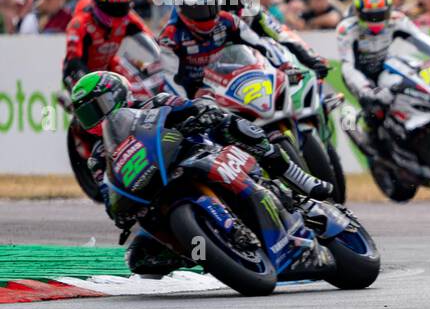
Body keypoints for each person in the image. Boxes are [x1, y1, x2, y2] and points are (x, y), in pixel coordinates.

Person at [69, 70, 331, 276]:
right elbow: (109, 195)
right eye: (87, 114)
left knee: (232, 125)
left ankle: (298, 179)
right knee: (140, 258)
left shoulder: (154, 103)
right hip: (159, 196)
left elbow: (191, 105)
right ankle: (210, 249)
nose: (96, 118)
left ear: (118, 95)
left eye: (99, 106)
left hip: (202, 155)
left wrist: (201, 112)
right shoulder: (100, 158)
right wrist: (121, 212)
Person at [337, 0, 430, 151]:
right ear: (358, 13)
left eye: (380, 14)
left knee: (409, 85)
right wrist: (366, 89)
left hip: (384, 67)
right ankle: (370, 135)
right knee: (375, 105)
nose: (376, 20)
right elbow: (348, 67)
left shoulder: (396, 19)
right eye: (370, 16)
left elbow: (423, 40)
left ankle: (414, 127)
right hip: (359, 74)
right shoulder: (346, 29)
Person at [158, 0, 293, 98]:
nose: (207, 15)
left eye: (211, 7)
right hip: (192, 90)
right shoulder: (170, 36)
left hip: (222, 81)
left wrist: (283, 65)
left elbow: (260, 43)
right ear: (182, 11)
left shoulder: (228, 20)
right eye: (198, 10)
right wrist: (189, 104)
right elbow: (171, 78)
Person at [209, 0, 330, 78]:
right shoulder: (202, 16)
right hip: (215, 70)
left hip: (255, 66)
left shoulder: (254, 11)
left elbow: (282, 36)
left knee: (271, 42)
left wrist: (311, 60)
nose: (229, 2)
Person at [61, 0, 151, 86]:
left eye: (121, 7)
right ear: (97, 3)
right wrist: (94, 83)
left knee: (137, 89)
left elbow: (150, 39)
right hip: (79, 73)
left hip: (108, 68)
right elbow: (73, 61)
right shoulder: (79, 23)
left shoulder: (128, 17)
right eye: (112, 7)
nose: (117, 12)